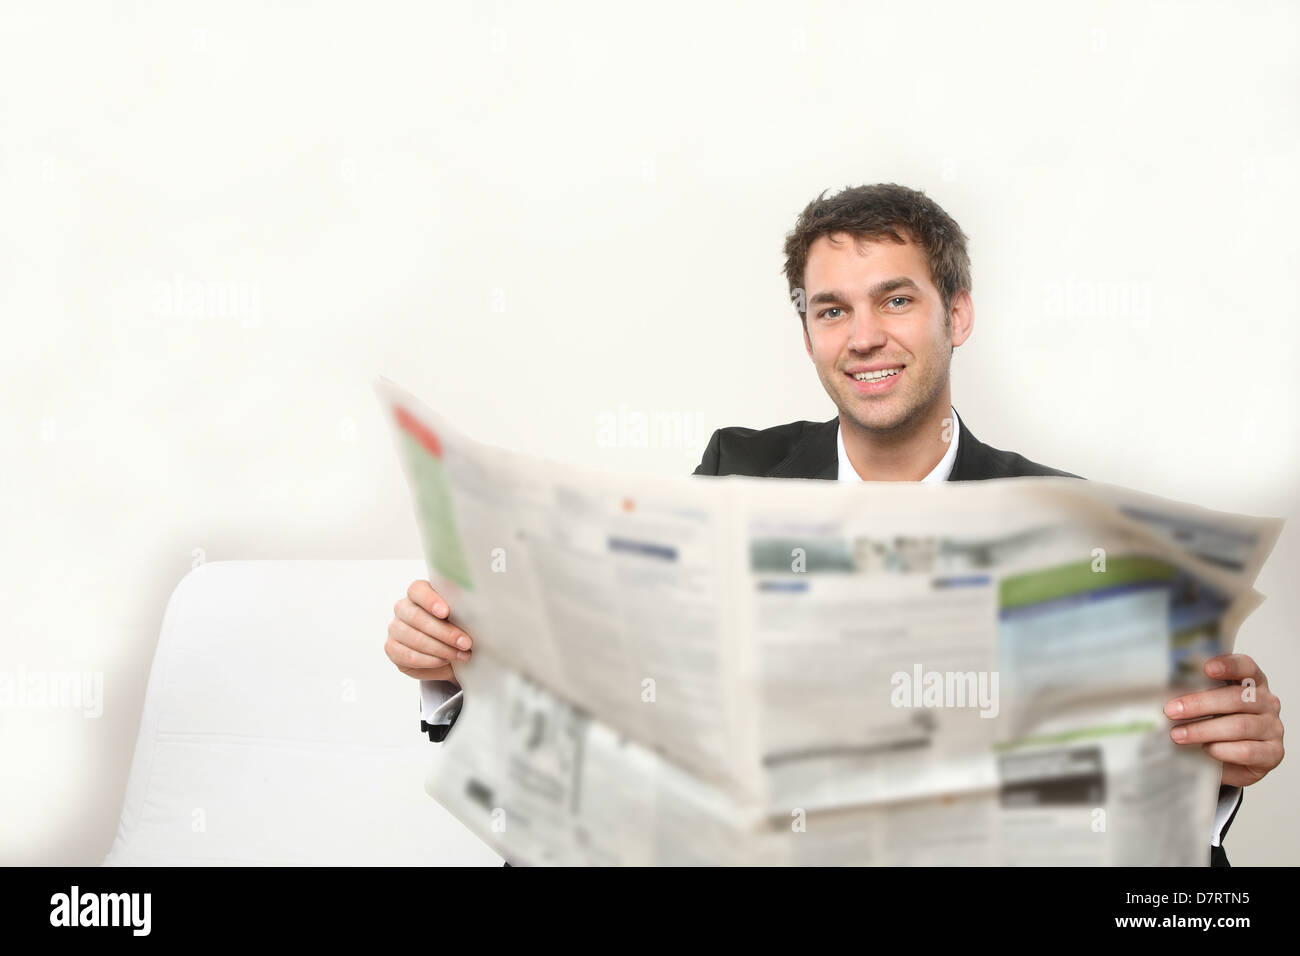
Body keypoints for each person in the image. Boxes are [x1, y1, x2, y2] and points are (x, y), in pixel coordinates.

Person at [385, 183, 1284, 867]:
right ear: (809, 331)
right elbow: (620, 705)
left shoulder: (1068, 525)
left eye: (896, 300)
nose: (863, 337)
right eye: (832, 310)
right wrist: (455, 670)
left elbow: (1132, 843)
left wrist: (1211, 778)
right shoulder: (734, 473)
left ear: (956, 315)